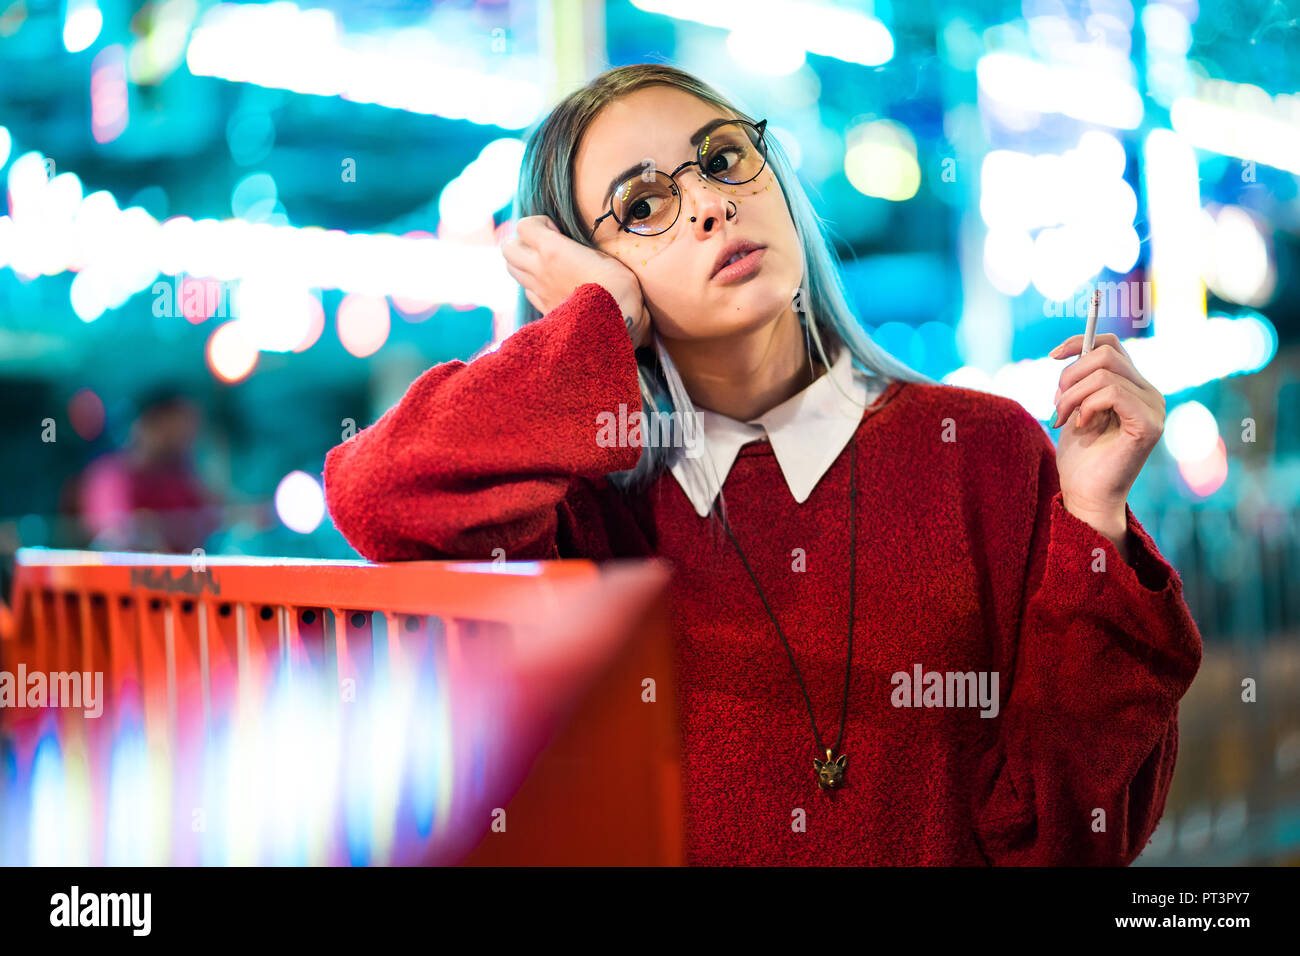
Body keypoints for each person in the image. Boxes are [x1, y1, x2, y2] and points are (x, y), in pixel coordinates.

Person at [322, 64, 1203, 865]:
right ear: (587, 274)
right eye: (641, 207)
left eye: (722, 157)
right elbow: (374, 492)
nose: (709, 205)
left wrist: (1091, 514)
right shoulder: (583, 511)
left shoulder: (984, 450)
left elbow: (1075, 838)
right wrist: (594, 325)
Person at [74, 387, 221, 553]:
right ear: (149, 424)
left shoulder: (184, 478)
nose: (187, 436)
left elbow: (217, 519)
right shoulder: (110, 477)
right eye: (177, 427)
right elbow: (113, 537)